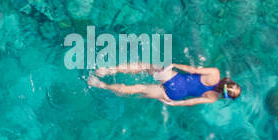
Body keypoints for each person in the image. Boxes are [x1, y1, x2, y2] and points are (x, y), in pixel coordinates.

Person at [87, 62, 242, 106]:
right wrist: (173, 104)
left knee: (146, 66)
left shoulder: (215, 73)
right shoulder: (214, 97)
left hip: (174, 79)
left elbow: (193, 69)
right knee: (137, 89)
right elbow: (192, 101)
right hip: (174, 94)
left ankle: (109, 70)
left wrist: (174, 65)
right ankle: (101, 85)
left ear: (229, 81)